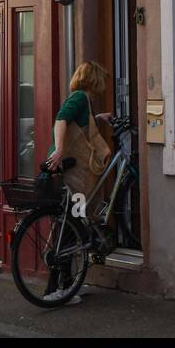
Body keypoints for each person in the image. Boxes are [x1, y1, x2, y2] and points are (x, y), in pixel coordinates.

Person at [42, 61, 112, 304]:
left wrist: (98, 118)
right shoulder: (80, 98)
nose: (104, 85)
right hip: (69, 173)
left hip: (67, 173)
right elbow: (62, 119)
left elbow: (79, 125)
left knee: (73, 227)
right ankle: (55, 290)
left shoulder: (83, 102)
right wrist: (60, 149)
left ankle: (69, 285)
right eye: (102, 80)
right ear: (95, 80)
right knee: (69, 230)